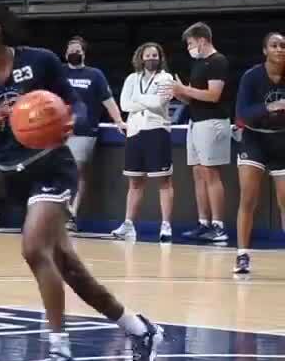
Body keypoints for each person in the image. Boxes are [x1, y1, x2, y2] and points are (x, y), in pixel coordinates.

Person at [0, 0, 161, 361]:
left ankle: (60, 356)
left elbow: (77, 104)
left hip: (52, 168)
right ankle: (140, 329)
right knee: (70, 269)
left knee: (33, 249)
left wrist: (65, 118)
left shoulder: (41, 62)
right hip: (15, 177)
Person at [171, 22, 231, 242]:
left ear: (202, 40)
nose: (189, 47)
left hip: (212, 122)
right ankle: (203, 222)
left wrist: (185, 89)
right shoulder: (198, 64)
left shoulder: (218, 61)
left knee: (210, 173)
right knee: (198, 173)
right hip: (195, 122)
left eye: (190, 43)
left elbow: (213, 95)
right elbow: (193, 97)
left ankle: (218, 225)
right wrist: (179, 94)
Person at [231, 31, 285, 275]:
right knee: (249, 199)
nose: (280, 49)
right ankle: (242, 255)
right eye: (274, 45)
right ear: (265, 51)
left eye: (283, 45)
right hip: (254, 138)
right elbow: (242, 114)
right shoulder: (252, 77)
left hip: (281, 139)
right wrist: (269, 107)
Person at [62, 36, 128, 230]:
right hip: (57, 131)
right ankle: (56, 214)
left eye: (78, 49)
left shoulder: (95, 75)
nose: (74, 52)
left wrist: (119, 121)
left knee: (77, 171)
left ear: (84, 53)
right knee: (59, 173)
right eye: (71, 49)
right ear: (65, 54)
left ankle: (71, 214)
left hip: (84, 131)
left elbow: (108, 100)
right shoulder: (58, 72)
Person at [113, 43, 176, 241]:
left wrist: (137, 98)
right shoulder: (132, 78)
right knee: (135, 182)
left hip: (157, 130)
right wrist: (146, 99)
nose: (151, 58)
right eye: (147, 55)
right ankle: (129, 224)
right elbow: (124, 104)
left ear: (160, 58)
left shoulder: (166, 78)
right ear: (141, 58)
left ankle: (166, 225)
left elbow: (159, 103)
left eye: (154, 55)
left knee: (164, 181)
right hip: (134, 131)